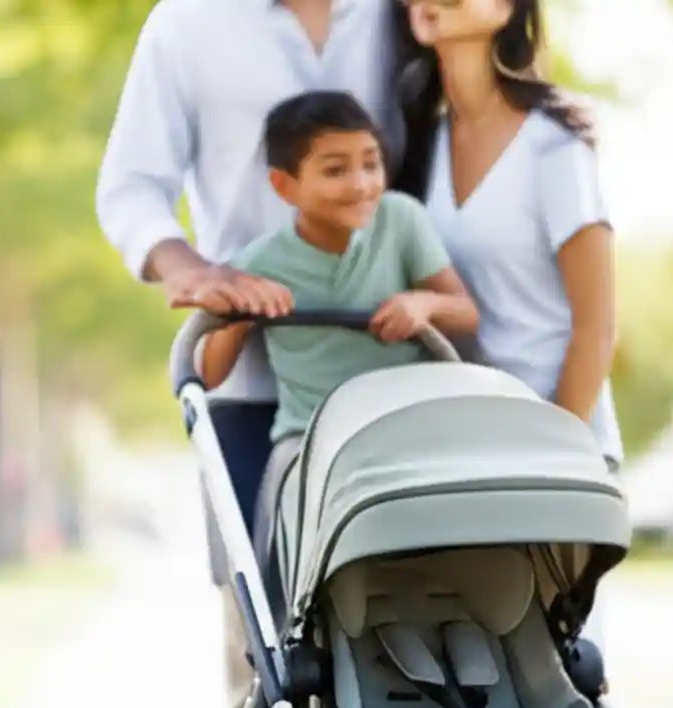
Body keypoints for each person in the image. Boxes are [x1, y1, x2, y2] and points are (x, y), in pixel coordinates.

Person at [94, 1, 402, 708]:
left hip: (391, 375)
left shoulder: (403, 14)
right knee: (264, 644)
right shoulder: (189, 23)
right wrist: (190, 270)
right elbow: (131, 189)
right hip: (249, 379)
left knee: (408, 619)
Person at [391, 0, 623, 662]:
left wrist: (549, 459)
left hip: (558, 455)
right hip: (464, 460)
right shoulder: (420, 146)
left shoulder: (554, 143)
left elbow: (596, 327)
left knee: (557, 675)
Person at [200, 90, 478, 483]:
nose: (361, 185)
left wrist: (425, 305)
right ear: (284, 186)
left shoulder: (401, 221)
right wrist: (233, 310)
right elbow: (209, 375)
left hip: (405, 428)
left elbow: (466, 315)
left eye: (371, 164)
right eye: (335, 171)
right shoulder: (259, 265)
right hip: (308, 441)